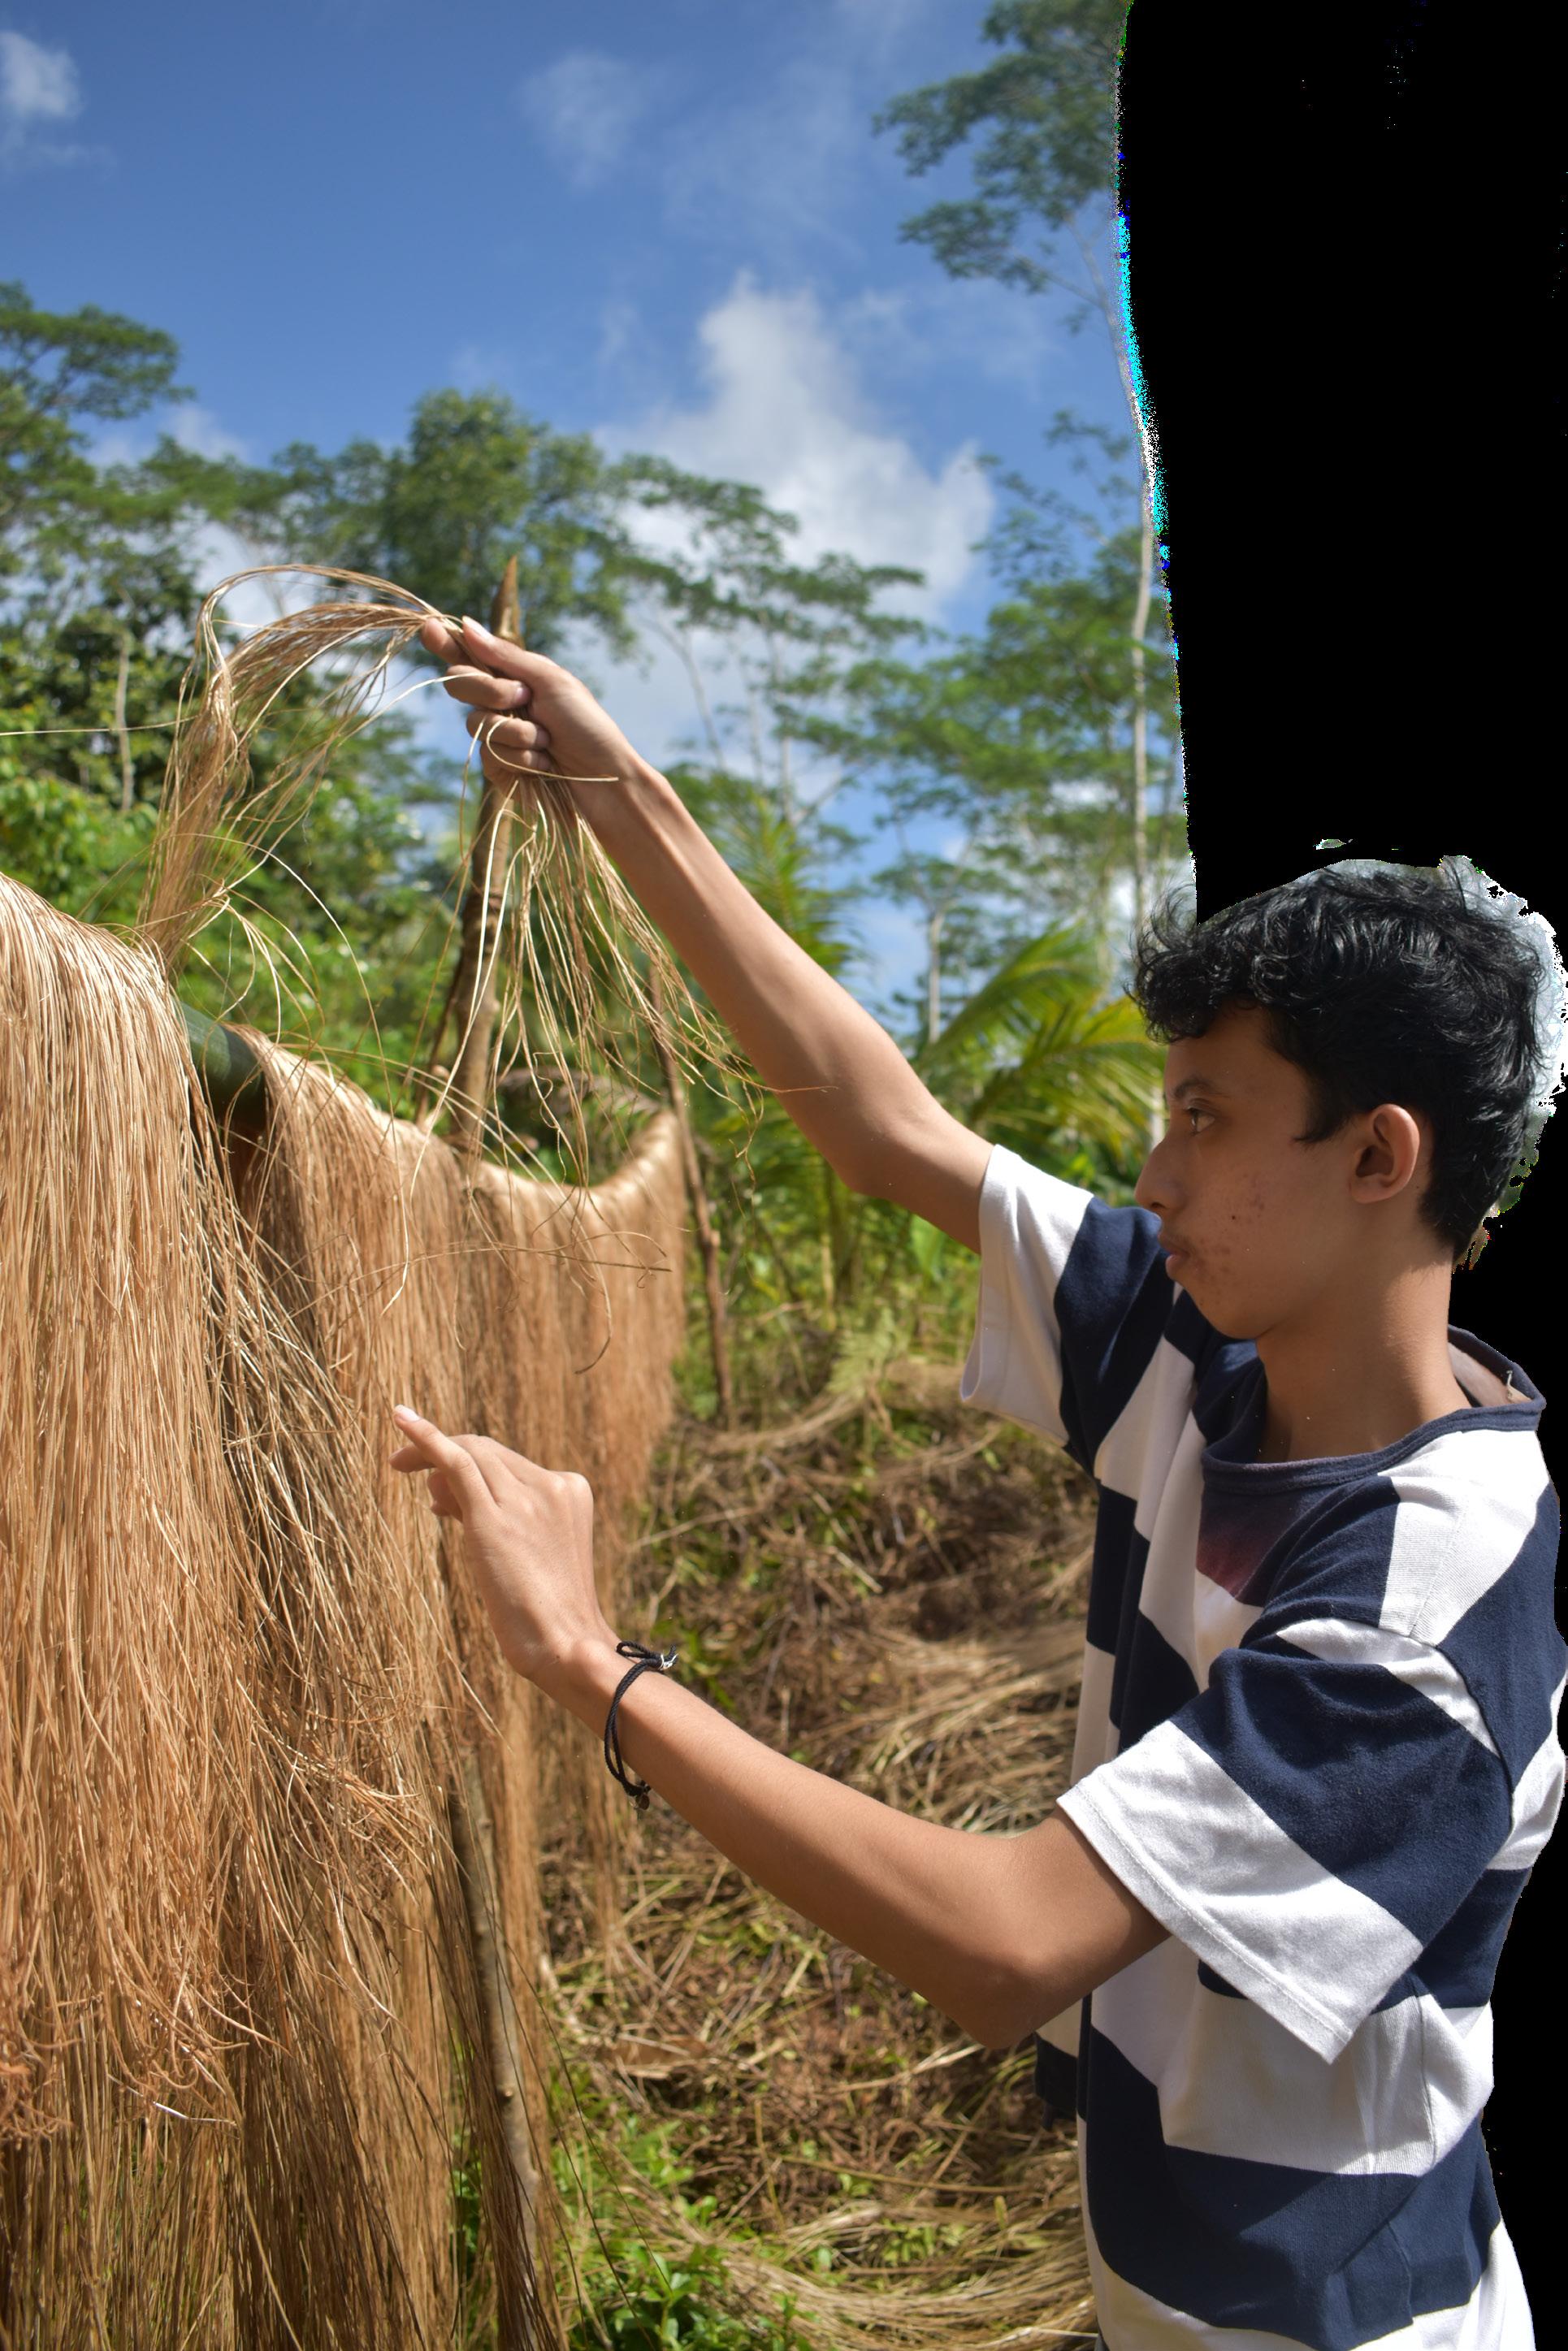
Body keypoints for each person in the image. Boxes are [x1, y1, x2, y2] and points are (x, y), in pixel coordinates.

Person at [391, 614, 1566, 2351]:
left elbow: (1010, 1940)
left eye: (1205, 1116)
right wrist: (611, 782)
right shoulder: (1207, 1348)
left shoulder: (1416, 1617)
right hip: (1163, 2296)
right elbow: (890, 1134)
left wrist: (589, 1663)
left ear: (1376, 1158)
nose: (1147, 1175)